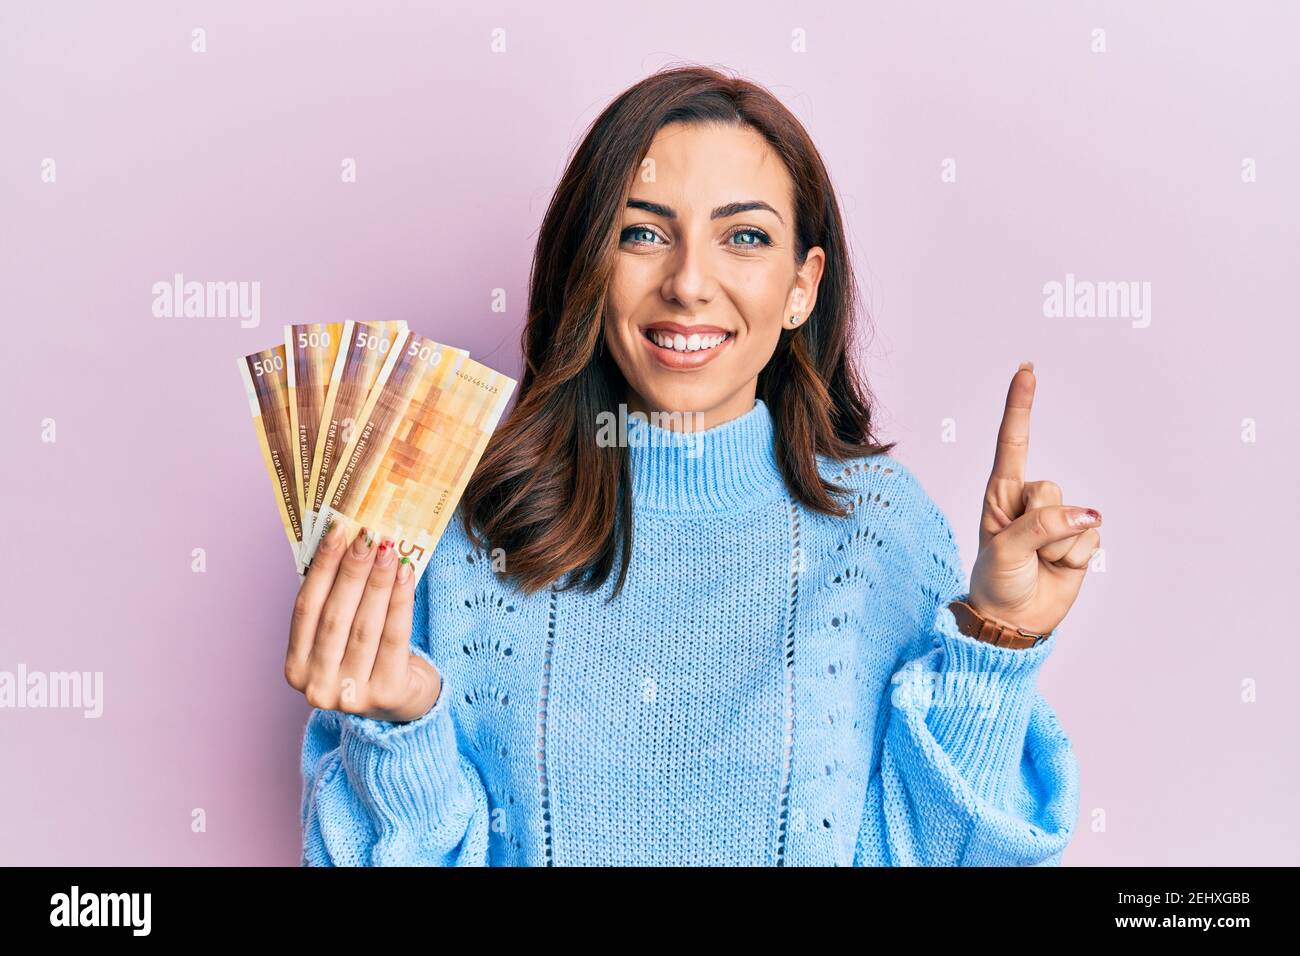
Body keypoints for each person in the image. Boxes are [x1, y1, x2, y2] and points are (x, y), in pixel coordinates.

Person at [287, 65, 1100, 866]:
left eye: (744, 237)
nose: (687, 284)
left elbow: (938, 858)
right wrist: (402, 737)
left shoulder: (883, 532)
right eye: (641, 233)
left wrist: (999, 636)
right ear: (589, 268)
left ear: (802, 288)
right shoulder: (466, 537)